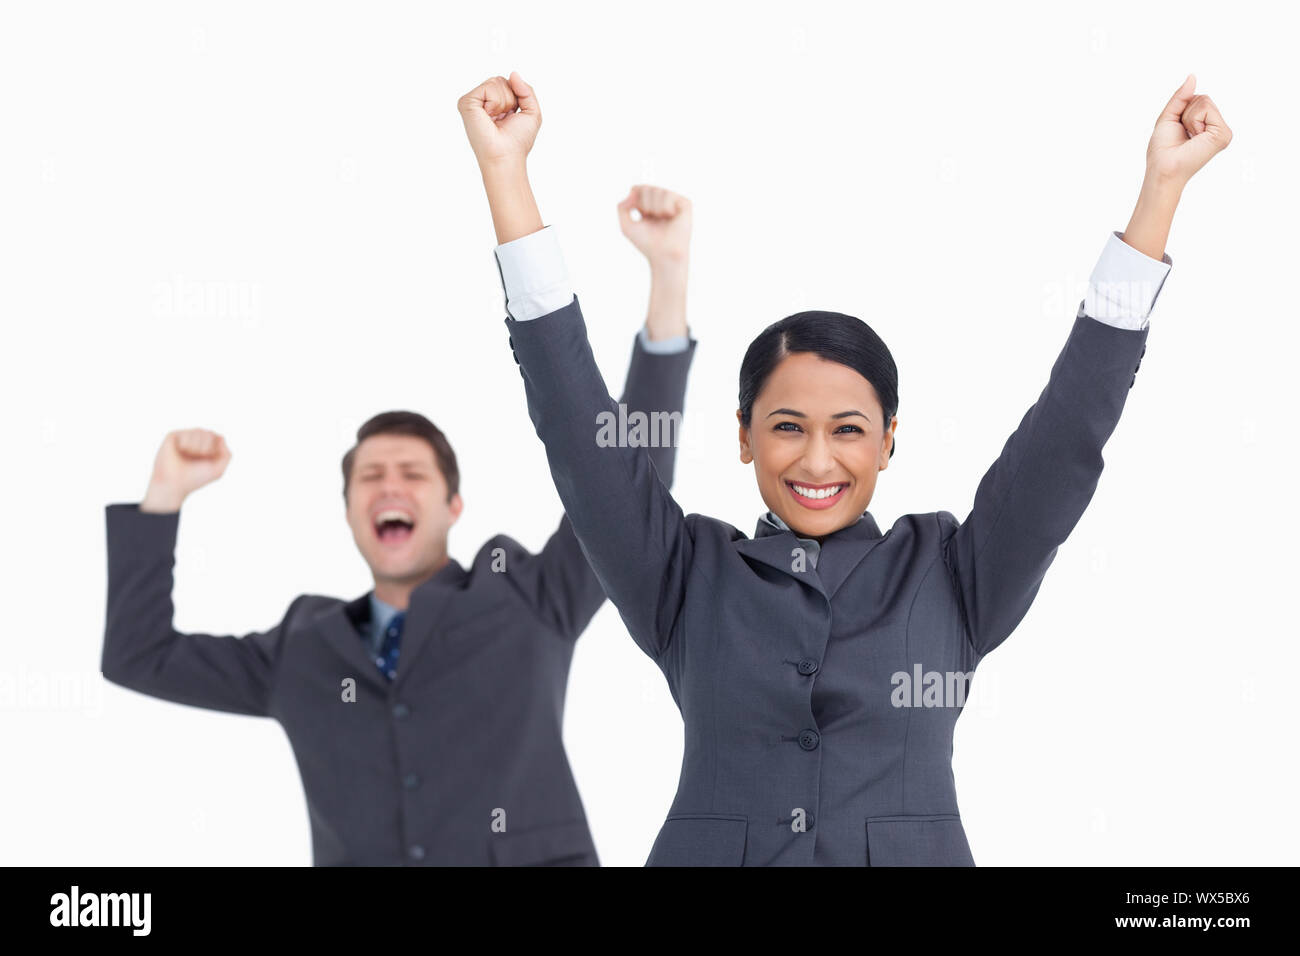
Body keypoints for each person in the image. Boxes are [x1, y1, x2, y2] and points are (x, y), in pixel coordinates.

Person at [459, 71, 1231, 865]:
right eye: (787, 426)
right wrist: (506, 176)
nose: (817, 459)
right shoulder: (683, 576)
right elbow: (580, 439)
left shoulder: (954, 576)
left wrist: (1160, 189)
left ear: (889, 442)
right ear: (744, 436)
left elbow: (1066, 435)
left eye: (850, 430)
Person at [100, 188, 697, 866]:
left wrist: (667, 284)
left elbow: (625, 492)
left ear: (453, 506)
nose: (390, 485)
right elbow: (137, 656)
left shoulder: (531, 598)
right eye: (371, 476)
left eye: (412, 474)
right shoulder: (300, 651)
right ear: (351, 509)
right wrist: (165, 497)